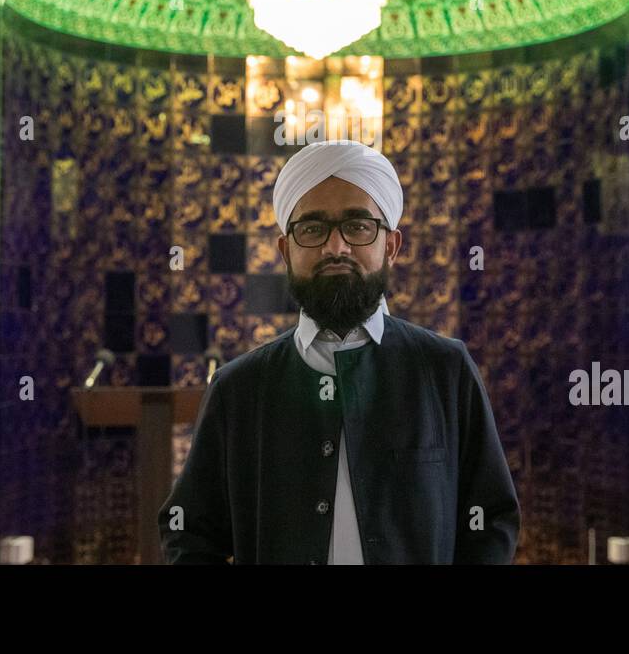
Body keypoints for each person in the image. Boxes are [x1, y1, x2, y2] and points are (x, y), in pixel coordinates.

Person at [158, 138, 520, 564]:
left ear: (391, 245)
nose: (335, 247)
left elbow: (491, 520)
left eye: (357, 225)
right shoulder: (239, 387)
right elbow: (187, 529)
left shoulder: (445, 370)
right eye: (312, 229)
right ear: (285, 251)